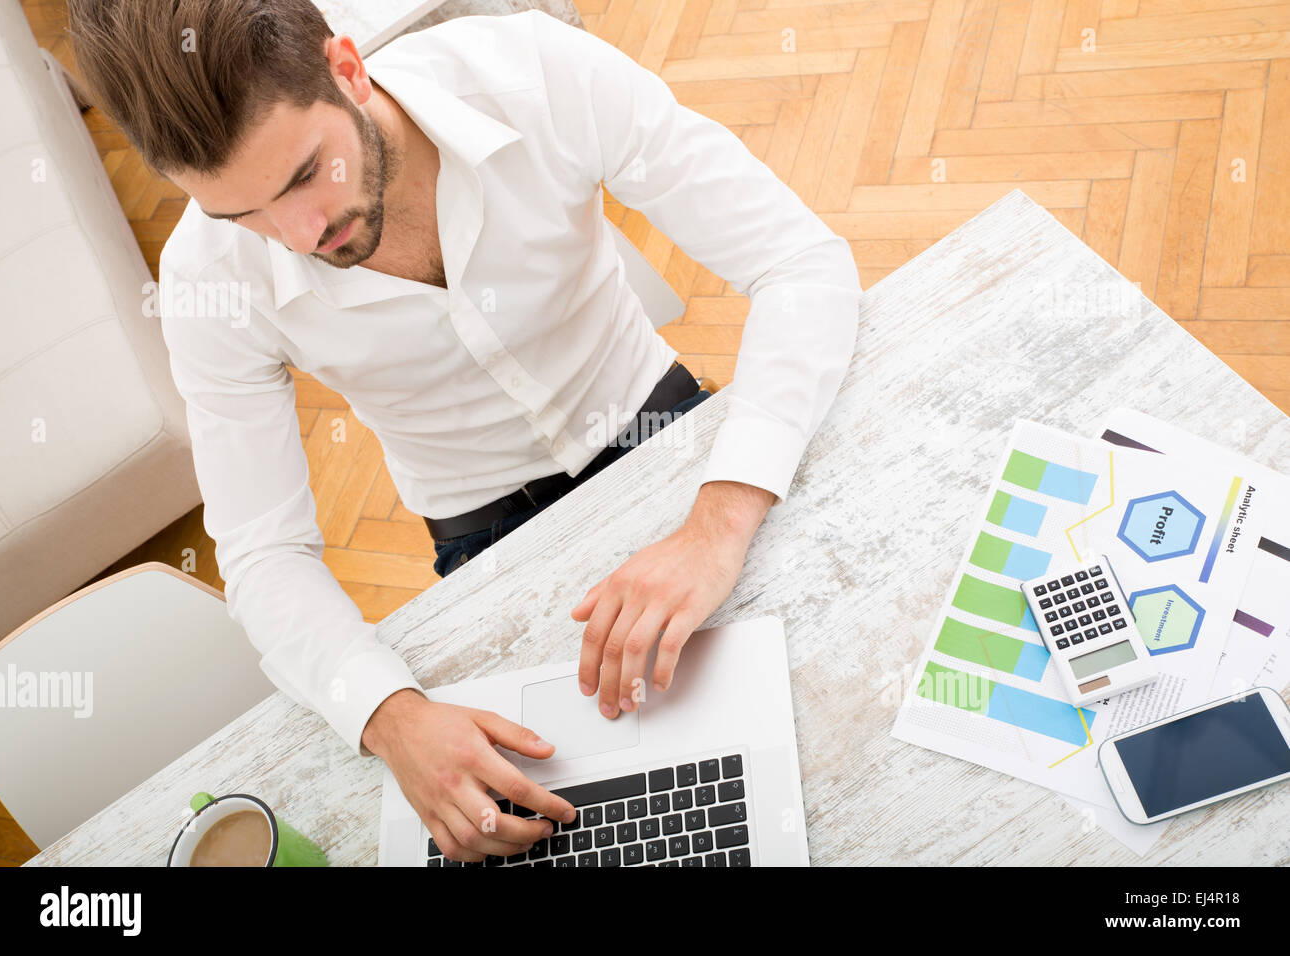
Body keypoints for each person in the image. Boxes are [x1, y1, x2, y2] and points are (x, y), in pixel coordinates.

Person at [67, 0, 861, 861]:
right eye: (241, 215)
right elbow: (262, 556)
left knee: (824, 709)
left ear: (348, 69)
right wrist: (390, 718)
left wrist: (719, 521)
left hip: (660, 429)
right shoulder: (207, 281)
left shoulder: (534, 72)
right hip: (483, 534)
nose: (298, 236)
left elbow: (801, 265)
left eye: (303, 176)